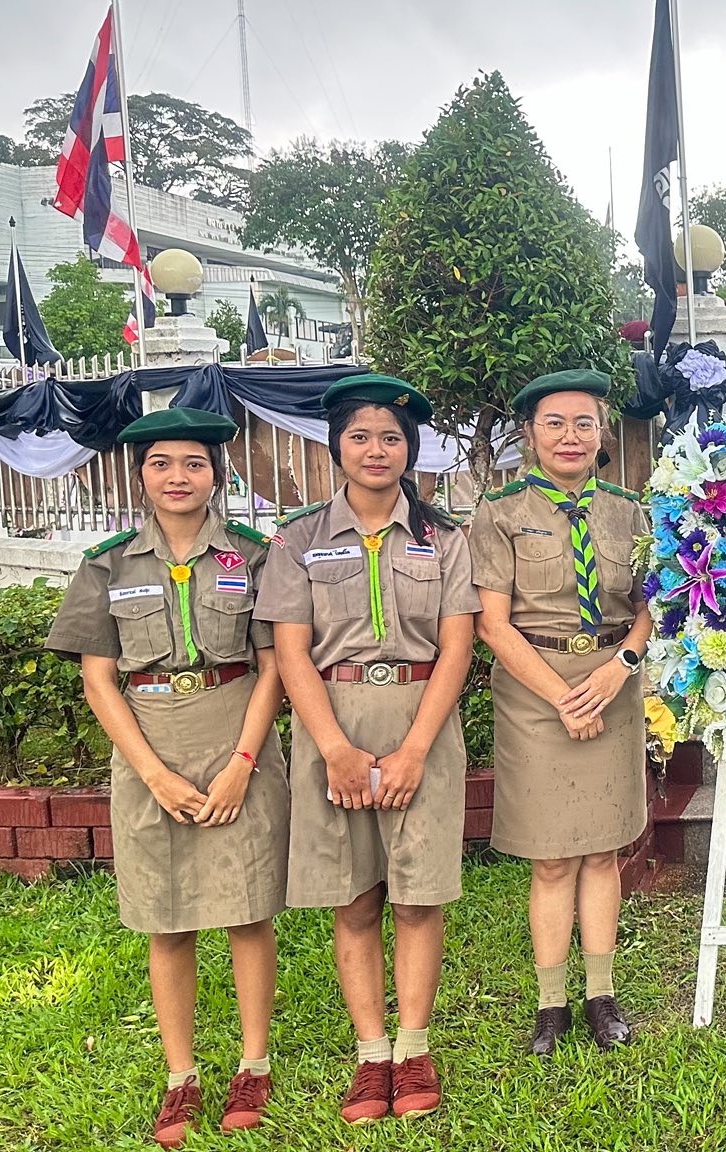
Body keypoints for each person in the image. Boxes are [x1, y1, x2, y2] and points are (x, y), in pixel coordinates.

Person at [45, 408, 289, 1148]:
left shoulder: (253, 554)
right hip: (150, 749)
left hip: (235, 736)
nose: (178, 477)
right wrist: (151, 774)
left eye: (193, 463)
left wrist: (244, 764)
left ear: (218, 473)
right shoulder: (108, 563)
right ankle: (181, 1075)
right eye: (161, 464)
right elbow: (99, 682)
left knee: (248, 912)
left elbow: (276, 665)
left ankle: (254, 1063)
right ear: (141, 474)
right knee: (168, 918)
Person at [253, 374, 479, 1125]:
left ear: (409, 449)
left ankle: (414, 1050)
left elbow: (456, 649)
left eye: (391, 437)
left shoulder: (443, 538)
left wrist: (415, 749)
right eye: (361, 437)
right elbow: (290, 653)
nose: (376, 450)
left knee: (417, 897)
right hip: (334, 725)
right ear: (337, 448)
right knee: (354, 899)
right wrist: (333, 749)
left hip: (422, 722)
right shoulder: (297, 540)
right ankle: (371, 1054)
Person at [470, 370, 651, 1057]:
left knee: (602, 850)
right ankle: (552, 1005)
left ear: (602, 432)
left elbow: (649, 605)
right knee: (551, 860)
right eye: (555, 423)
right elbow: (493, 624)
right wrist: (561, 696)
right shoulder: (499, 512)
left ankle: (602, 995)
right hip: (534, 691)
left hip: (612, 682)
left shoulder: (630, 511)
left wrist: (618, 670)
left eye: (584, 423)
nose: (570, 436)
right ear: (530, 434)